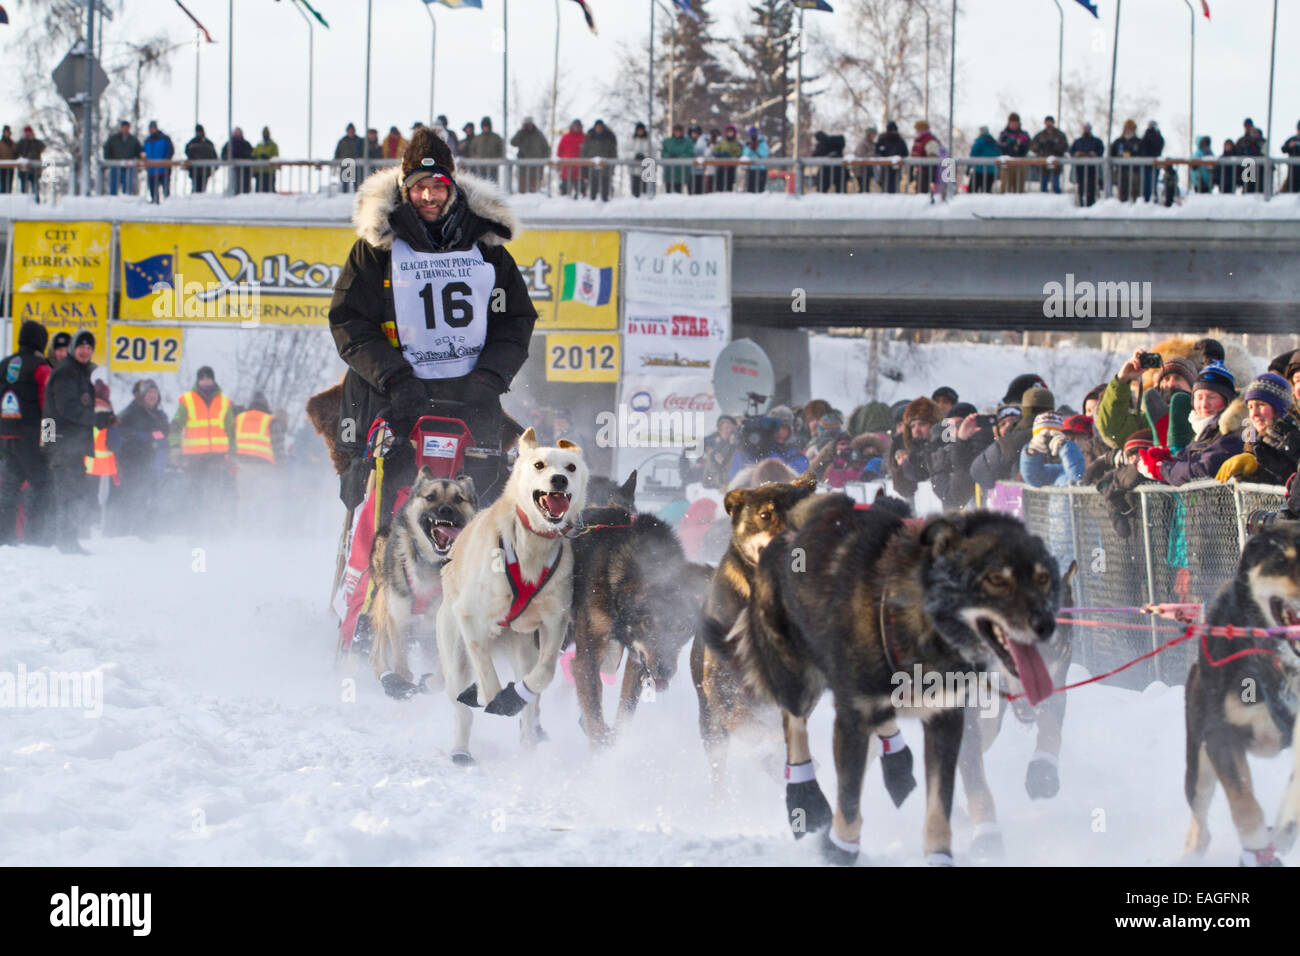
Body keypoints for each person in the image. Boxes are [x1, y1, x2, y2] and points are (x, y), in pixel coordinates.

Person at [327, 126, 538, 515]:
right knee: (389, 509)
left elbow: (516, 320)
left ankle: (477, 573)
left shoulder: (486, 247)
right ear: (405, 188)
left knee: (482, 509)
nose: (428, 196)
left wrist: (490, 377)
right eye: (419, 186)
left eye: (437, 186)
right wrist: (394, 377)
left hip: (471, 398)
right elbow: (349, 321)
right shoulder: (376, 250)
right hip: (396, 399)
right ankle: (375, 571)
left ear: (452, 188)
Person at [44, 331, 106, 554]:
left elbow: (52, 410)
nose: (86, 351)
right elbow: (64, 408)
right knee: (68, 492)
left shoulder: (77, 372)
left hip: (70, 443)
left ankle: (67, 538)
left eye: (90, 347)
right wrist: (95, 419)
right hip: (64, 444)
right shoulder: (67, 373)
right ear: (73, 349)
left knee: (74, 491)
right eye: (81, 346)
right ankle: (64, 540)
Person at [0, 321, 54, 545]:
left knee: (9, 488)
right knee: (42, 484)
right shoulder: (41, 368)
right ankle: (35, 538)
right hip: (30, 436)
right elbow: (48, 404)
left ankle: (5, 537)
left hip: (5, 436)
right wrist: (49, 440)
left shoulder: (3, 364)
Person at [171, 366, 237, 528]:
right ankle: (195, 529)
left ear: (213, 380)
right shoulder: (187, 400)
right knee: (195, 492)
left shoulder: (224, 402)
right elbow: (176, 425)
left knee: (214, 492)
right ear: (198, 380)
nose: (206, 381)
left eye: (208, 378)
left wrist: (233, 453)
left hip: (217, 455)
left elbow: (231, 430)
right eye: (202, 378)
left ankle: (212, 527)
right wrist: (174, 446)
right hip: (194, 456)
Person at [105, 379, 169, 539]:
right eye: (149, 393)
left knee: (147, 494)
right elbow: (118, 430)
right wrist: (139, 436)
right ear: (142, 395)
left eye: (155, 393)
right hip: (131, 459)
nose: (152, 396)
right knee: (133, 493)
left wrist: (157, 438)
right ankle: (127, 528)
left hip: (151, 460)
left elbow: (164, 433)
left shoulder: (159, 414)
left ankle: (142, 527)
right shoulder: (131, 412)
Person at [1216, 373, 1300, 486]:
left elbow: (1286, 478)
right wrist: (1249, 472)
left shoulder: (1293, 438)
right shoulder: (1252, 441)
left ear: (1279, 408)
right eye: (1250, 407)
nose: (1254, 414)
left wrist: (1257, 467)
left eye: (1260, 405)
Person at [1020, 412, 1085, 487]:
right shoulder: (1057, 472)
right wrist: (1031, 453)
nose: (1049, 440)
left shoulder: (1089, 463)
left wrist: (1066, 447)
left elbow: (1078, 478)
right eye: (1044, 436)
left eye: (1054, 435)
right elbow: (1034, 478)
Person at [1068, 122, 1105, 207]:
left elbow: (1100, 151)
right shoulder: (1078, 141)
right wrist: (1076, 154)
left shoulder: (1096, 141)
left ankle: (1091, 205)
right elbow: (1071, 151)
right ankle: (1081, 204)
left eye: (1087, 128)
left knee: (1092, 187)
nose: (1086, 130)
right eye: (1085, 128)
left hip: (1092, 169)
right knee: (1081, 187)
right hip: (1080, 169)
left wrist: (1095, 154)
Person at [581, 118, 618, 201]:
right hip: (592, 170)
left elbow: (613, 153)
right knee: (593, 191)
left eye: (600, 127)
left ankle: (606, 206)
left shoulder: (609, 137)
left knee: (605, 191)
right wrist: (584, 166)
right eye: (597, 127)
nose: (599, 129)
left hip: (605, 169)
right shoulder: (589, 137)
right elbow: (584, 152)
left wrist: (612, 167)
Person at [510, 117, 550, 193]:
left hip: (536, 169)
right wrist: (520, 132)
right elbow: (513, 142)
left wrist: (543, 162)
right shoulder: (521, 134)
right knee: (522, 192)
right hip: (523, 168)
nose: (528, 126)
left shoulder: (538, 135)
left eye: (529, 124)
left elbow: (546, 148)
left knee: (534, 192)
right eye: (526, 124)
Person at [103, 120, 142, 196]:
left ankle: (127, 199)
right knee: (114, 184)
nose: (125, 129)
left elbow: (139, 151)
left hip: (128, 166)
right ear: (121, 128)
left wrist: (137, 160)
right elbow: (107, 148)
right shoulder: (113, 139)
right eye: (124, 127)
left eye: (127, 127)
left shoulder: (133, 140)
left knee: (128, 186)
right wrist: (109, 160)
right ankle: (113, 199)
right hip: (116, 165)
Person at [1031, 116, 1068, 194]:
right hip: (1043, 165)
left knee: (1055, 186)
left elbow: (1065, 146)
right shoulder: (1040, 135)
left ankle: (1058, 201)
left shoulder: (1059, 134)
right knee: (1043, 187)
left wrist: (1055, 146)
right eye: (1047, 122)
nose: (1049, 123)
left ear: (1053, 123)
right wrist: (1039, 146)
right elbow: (1032, 147)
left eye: (1050, 121)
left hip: (1056, 165)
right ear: (1045, 123)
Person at [142, 120, 175, 204]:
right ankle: (155, 204)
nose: (151, 130)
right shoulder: (147, 141)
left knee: (166, 193)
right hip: (152, 171)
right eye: (150, 128)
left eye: (153, 128)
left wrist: (166, 162)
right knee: (153, 193)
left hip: (163, 170)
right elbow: (144, 153)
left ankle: (168, 206)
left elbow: (170, 151)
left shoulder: (165, 138)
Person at [1110, 119, 1141, 202]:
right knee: (1122, 193)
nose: (1128, 130)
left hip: (1134, 171)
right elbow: (1111, 154)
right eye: (1127, 128)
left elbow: (1141, 154)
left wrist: (1131, 155)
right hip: (1121, 171)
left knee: (1135, 192)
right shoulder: (1118, 141)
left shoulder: (1138, 142)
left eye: (1131, 128)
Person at [998, 112, 1030, 193]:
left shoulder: (1024, 134)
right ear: (1009, 123)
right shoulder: (1004, 134)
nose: (1014, 125)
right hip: (1007, 164)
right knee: (1005, 188)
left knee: (1019, 188)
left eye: (1016, 123)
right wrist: (1008, 144)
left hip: (1020, 163)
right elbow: (999, 146)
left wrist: (1020, 145)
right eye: (1012, 123)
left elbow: (1028, 146)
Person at [875, 121, 908, 193]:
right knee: (889, 185)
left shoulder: (898, 140)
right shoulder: (884, 139)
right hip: (886, 168)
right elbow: (877, 151)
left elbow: (905, 153)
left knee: (892, 185)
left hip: (892, 168)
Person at [624, 121, 655, 198]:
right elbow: (625, 153)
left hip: (647, 171)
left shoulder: (649, 142)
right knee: (635, 194)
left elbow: (653, 153)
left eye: (641, 130)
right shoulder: (631, 141)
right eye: (638, 130)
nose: (640, 131)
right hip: (634, 171)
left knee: (647, 193)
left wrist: (644, 156)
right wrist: (634, 156)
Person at [661, 123, 694, 194]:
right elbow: (663, 153)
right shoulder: (667, 142)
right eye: (676, 131)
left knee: (678, 193)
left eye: (679, 131)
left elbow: (690, 154)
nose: (677, 133)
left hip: (681, 172)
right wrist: (669, 156)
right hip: (669, 172)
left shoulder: (687, 142)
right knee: (668, 193)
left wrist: (679, 158)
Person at [14, 125, 44, 201]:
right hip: (24, 170)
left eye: (29, 132)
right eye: (26, 133)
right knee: (24, 189)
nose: (28, 134)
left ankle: (36, 203)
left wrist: (33, 139)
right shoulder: (21, 142)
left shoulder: (36, 142)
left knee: (36, 189)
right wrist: (24, 140)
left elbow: (43, 147)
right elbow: (16, 151)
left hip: (35, 170)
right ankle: (24, 204)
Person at [557, 119, 585, 198]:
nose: (576, 128)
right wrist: (559, 164)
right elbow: (560, 151)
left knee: (580, 195)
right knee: (564, 194)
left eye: (578, 126)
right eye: (574, 126)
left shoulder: (584, 138)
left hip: (580, 171)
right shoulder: (565, 137)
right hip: (566, 170)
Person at [185, 125, 218, 193]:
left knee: (202, 188)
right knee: (195, 187)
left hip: (205, 170)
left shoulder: (208, 143)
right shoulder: (192, 143)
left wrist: (215, 165)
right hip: (195, 170)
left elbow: (213, 156)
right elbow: (188, 153)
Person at [1236, 118, 1264, 193]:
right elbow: (1237, 152)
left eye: (1249, 126)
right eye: (1246, 126)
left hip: (1259, 171)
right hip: (1245, 170)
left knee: (1258, 191)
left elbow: (1265, 153)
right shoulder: (1241, 140)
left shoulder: (1261, 140)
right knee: (1247, 191)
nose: (1247, 128)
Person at [222, 127, 253, 194]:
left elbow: (251, 155)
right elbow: (224, 154)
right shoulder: (229, 144)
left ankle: (244, 195)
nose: (237, 134)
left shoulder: (246, 144)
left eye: (238, 133)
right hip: (233, 168)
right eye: (236, 133)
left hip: (245, 170)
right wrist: (227, 157)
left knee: (244, 185)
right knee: (233, 183)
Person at [969, 125, 1000, 193]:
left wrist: (968, 168)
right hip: (991, 172)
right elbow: (998, 154)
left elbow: (973, 154)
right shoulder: (994, 143)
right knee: (987, 192)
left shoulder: (979, 141)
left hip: (979, 171)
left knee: (972, 191)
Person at [713, 124, 743, 193]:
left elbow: (739, 153)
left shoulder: (736, 143)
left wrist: (731, 157)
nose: (730, 133)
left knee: (729, 186)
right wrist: (721, 154)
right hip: (721, 167)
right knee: (719, 186)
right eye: (728, 132)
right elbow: (714, 151)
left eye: (731, 132)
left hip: (731, 168)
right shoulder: (722, 142)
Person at [1138, 120, 1164, 202]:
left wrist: (1152, 134)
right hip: (1144, 165)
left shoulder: (1158, 137)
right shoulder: (1145, 137)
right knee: (1144, 185)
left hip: (1154, 165)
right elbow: (1141, 148)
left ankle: (1152, 201)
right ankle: (1145, 201)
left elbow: (1158, 147)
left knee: (1152, 185)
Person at [334, 123, 363, 193]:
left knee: (357, 184)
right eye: (349, 130)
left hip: (357, 165)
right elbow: (337, 153)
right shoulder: (342, 141)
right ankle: (344, 196)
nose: (351, 132)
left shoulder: (359, 140)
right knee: (345, 184)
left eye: (352, 130)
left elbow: (363, 151)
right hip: (346, 165)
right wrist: (335, 163)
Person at [741, 125, 770, 193]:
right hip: (751, 169)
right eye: (751, 135)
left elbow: (765, 154)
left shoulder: (762, 142)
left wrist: (757, 148)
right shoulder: (747, 144)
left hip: (761, 169)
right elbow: (745, 155)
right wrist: (750, 148)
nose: (753, 136)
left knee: (761, 189)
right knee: (750, 190)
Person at [251, 126, 278, 194]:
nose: (265, 134)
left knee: (270, 191)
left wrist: (268, 158)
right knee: (259, 192)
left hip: (269, 172)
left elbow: (276, 156)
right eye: (264, 133)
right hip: (259, 172)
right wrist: (254, 157)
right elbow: (254, 154)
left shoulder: (273, 145)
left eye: (267, 133)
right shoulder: (259, 145)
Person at [691, 124, 713, 195]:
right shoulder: (691, 141)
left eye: (695, 133)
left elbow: (699, 151)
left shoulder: (702, 140)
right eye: (692, 133)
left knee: (700, 190)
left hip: (702, 170)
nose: (693, 134)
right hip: (693, 170)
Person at [855, 126, 878, 193]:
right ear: (869, 134)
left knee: (866, 188)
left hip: (866, 170)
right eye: (874, 134)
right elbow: (861, 156)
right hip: (860, 170)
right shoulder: (863, 143)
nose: (875, 136)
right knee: (863, 188)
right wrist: (874, 153)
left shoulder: (870, 143)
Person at [1282, 121, 1300, 193]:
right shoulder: (1292, 139)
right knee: (1292, 191)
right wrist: (1289, 146)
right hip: (1293, 172)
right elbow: (1283, 149)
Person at [0, 125, 14, 194]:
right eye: (5, 132)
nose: (7, 133)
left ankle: (8, 196)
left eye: (8, 132)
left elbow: (15, 153)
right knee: (2, 182)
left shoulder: (13, 143)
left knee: (10, 183)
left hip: (11, 166)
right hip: (2, 166)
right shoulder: (0, 143)